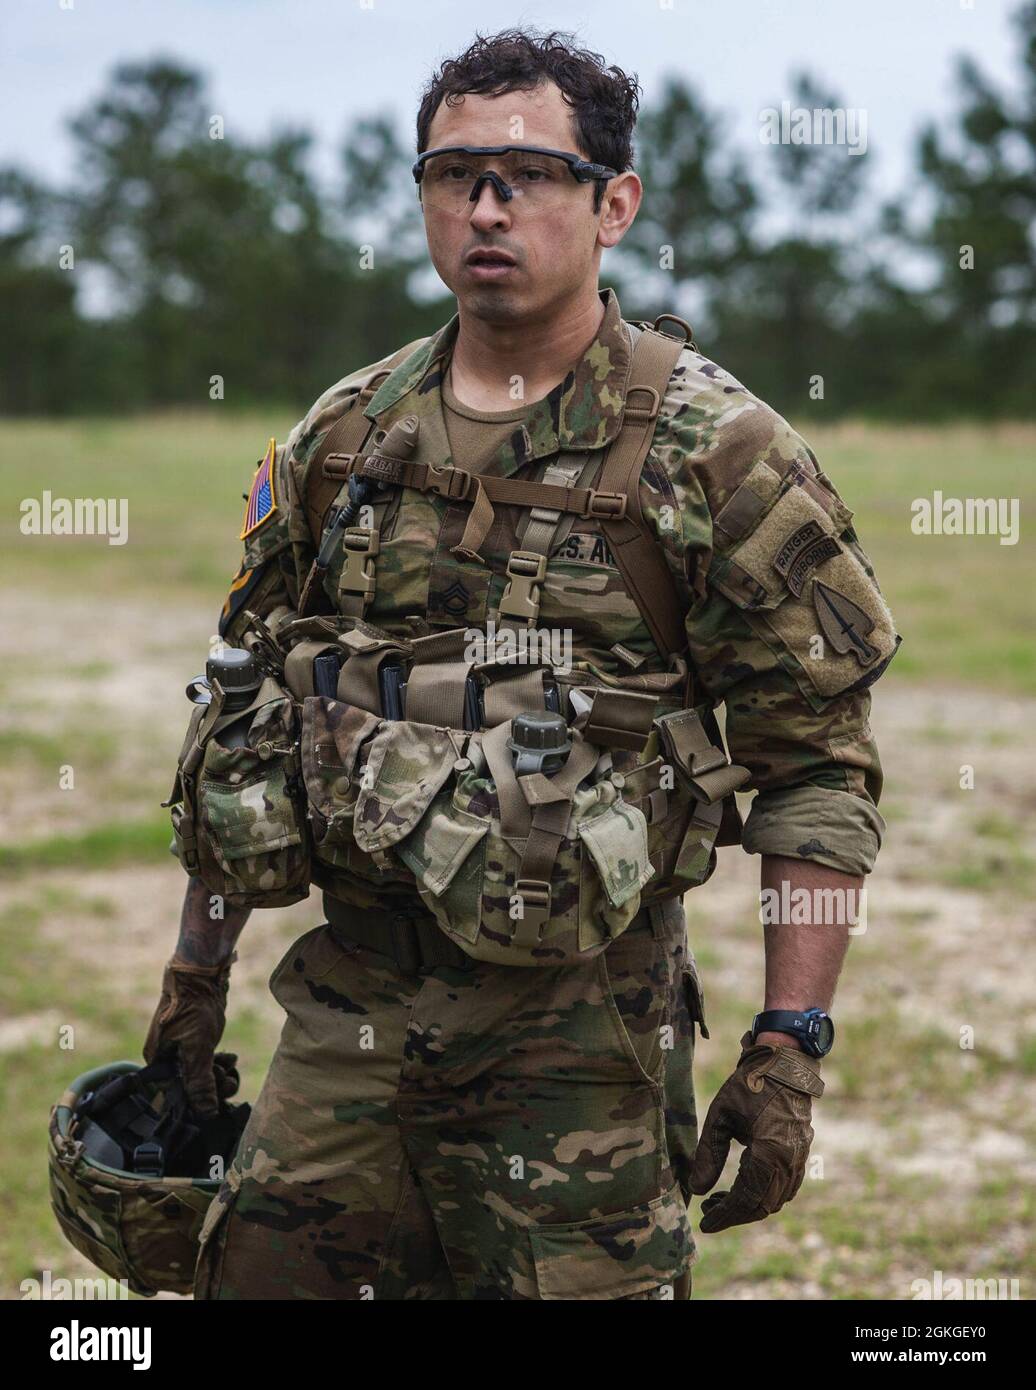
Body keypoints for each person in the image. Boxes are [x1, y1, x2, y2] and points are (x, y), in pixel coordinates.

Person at [144, 28, 898, 1301]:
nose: (485, 207)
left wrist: (789, 1043)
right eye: (453, 175)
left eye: (528, 174)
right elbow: (248, 704)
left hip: (584, 1049)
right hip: (347, 1023)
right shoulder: (344, 439)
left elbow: (818, 771)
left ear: (614, 205)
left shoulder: (718, 454)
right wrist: (192, 980)